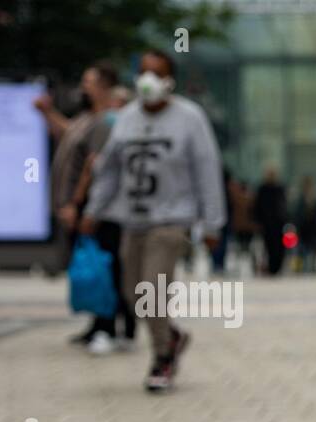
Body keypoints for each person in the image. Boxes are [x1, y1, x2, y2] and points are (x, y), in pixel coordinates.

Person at [80, 49, 225, 393]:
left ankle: (162, 357)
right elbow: (110, 170)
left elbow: (207, 170)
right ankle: (172, 336)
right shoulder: (126, 119)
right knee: (133, 294)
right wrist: (93, 210)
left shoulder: (190, 118)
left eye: (157, 74)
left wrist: (212, 223)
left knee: (152, 290)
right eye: (143, 72)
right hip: (133, 219)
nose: (149, 81)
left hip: (171, 220)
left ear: (170, 81)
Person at [49, 62, 125, 351]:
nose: (84, 87)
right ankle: (98, 323)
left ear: (104, 85)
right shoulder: (87, 118)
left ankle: (108, 327)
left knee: (103, 265)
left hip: (97, 207)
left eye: (89, 81)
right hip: (86, 206)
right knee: (93, 264)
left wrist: (77, 203)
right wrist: (47, 113)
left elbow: (95, 167)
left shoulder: (108, 121)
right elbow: (68, 133)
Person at [254, 166, 289, 276]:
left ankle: (276, 268)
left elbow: (284, 206)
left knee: (279, 247)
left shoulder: (280, 188)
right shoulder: (262, 189)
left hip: (279, 224)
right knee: (268, 247)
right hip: (266, 224)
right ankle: (270, 268)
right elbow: (258, 206)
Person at [293, 176, 316, 273]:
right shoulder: (300, 200)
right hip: (303, 230)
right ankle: (301, 268)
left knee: (314, 250)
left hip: (314, 230)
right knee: (302, 251)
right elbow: (296, 215)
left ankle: (313, 268)